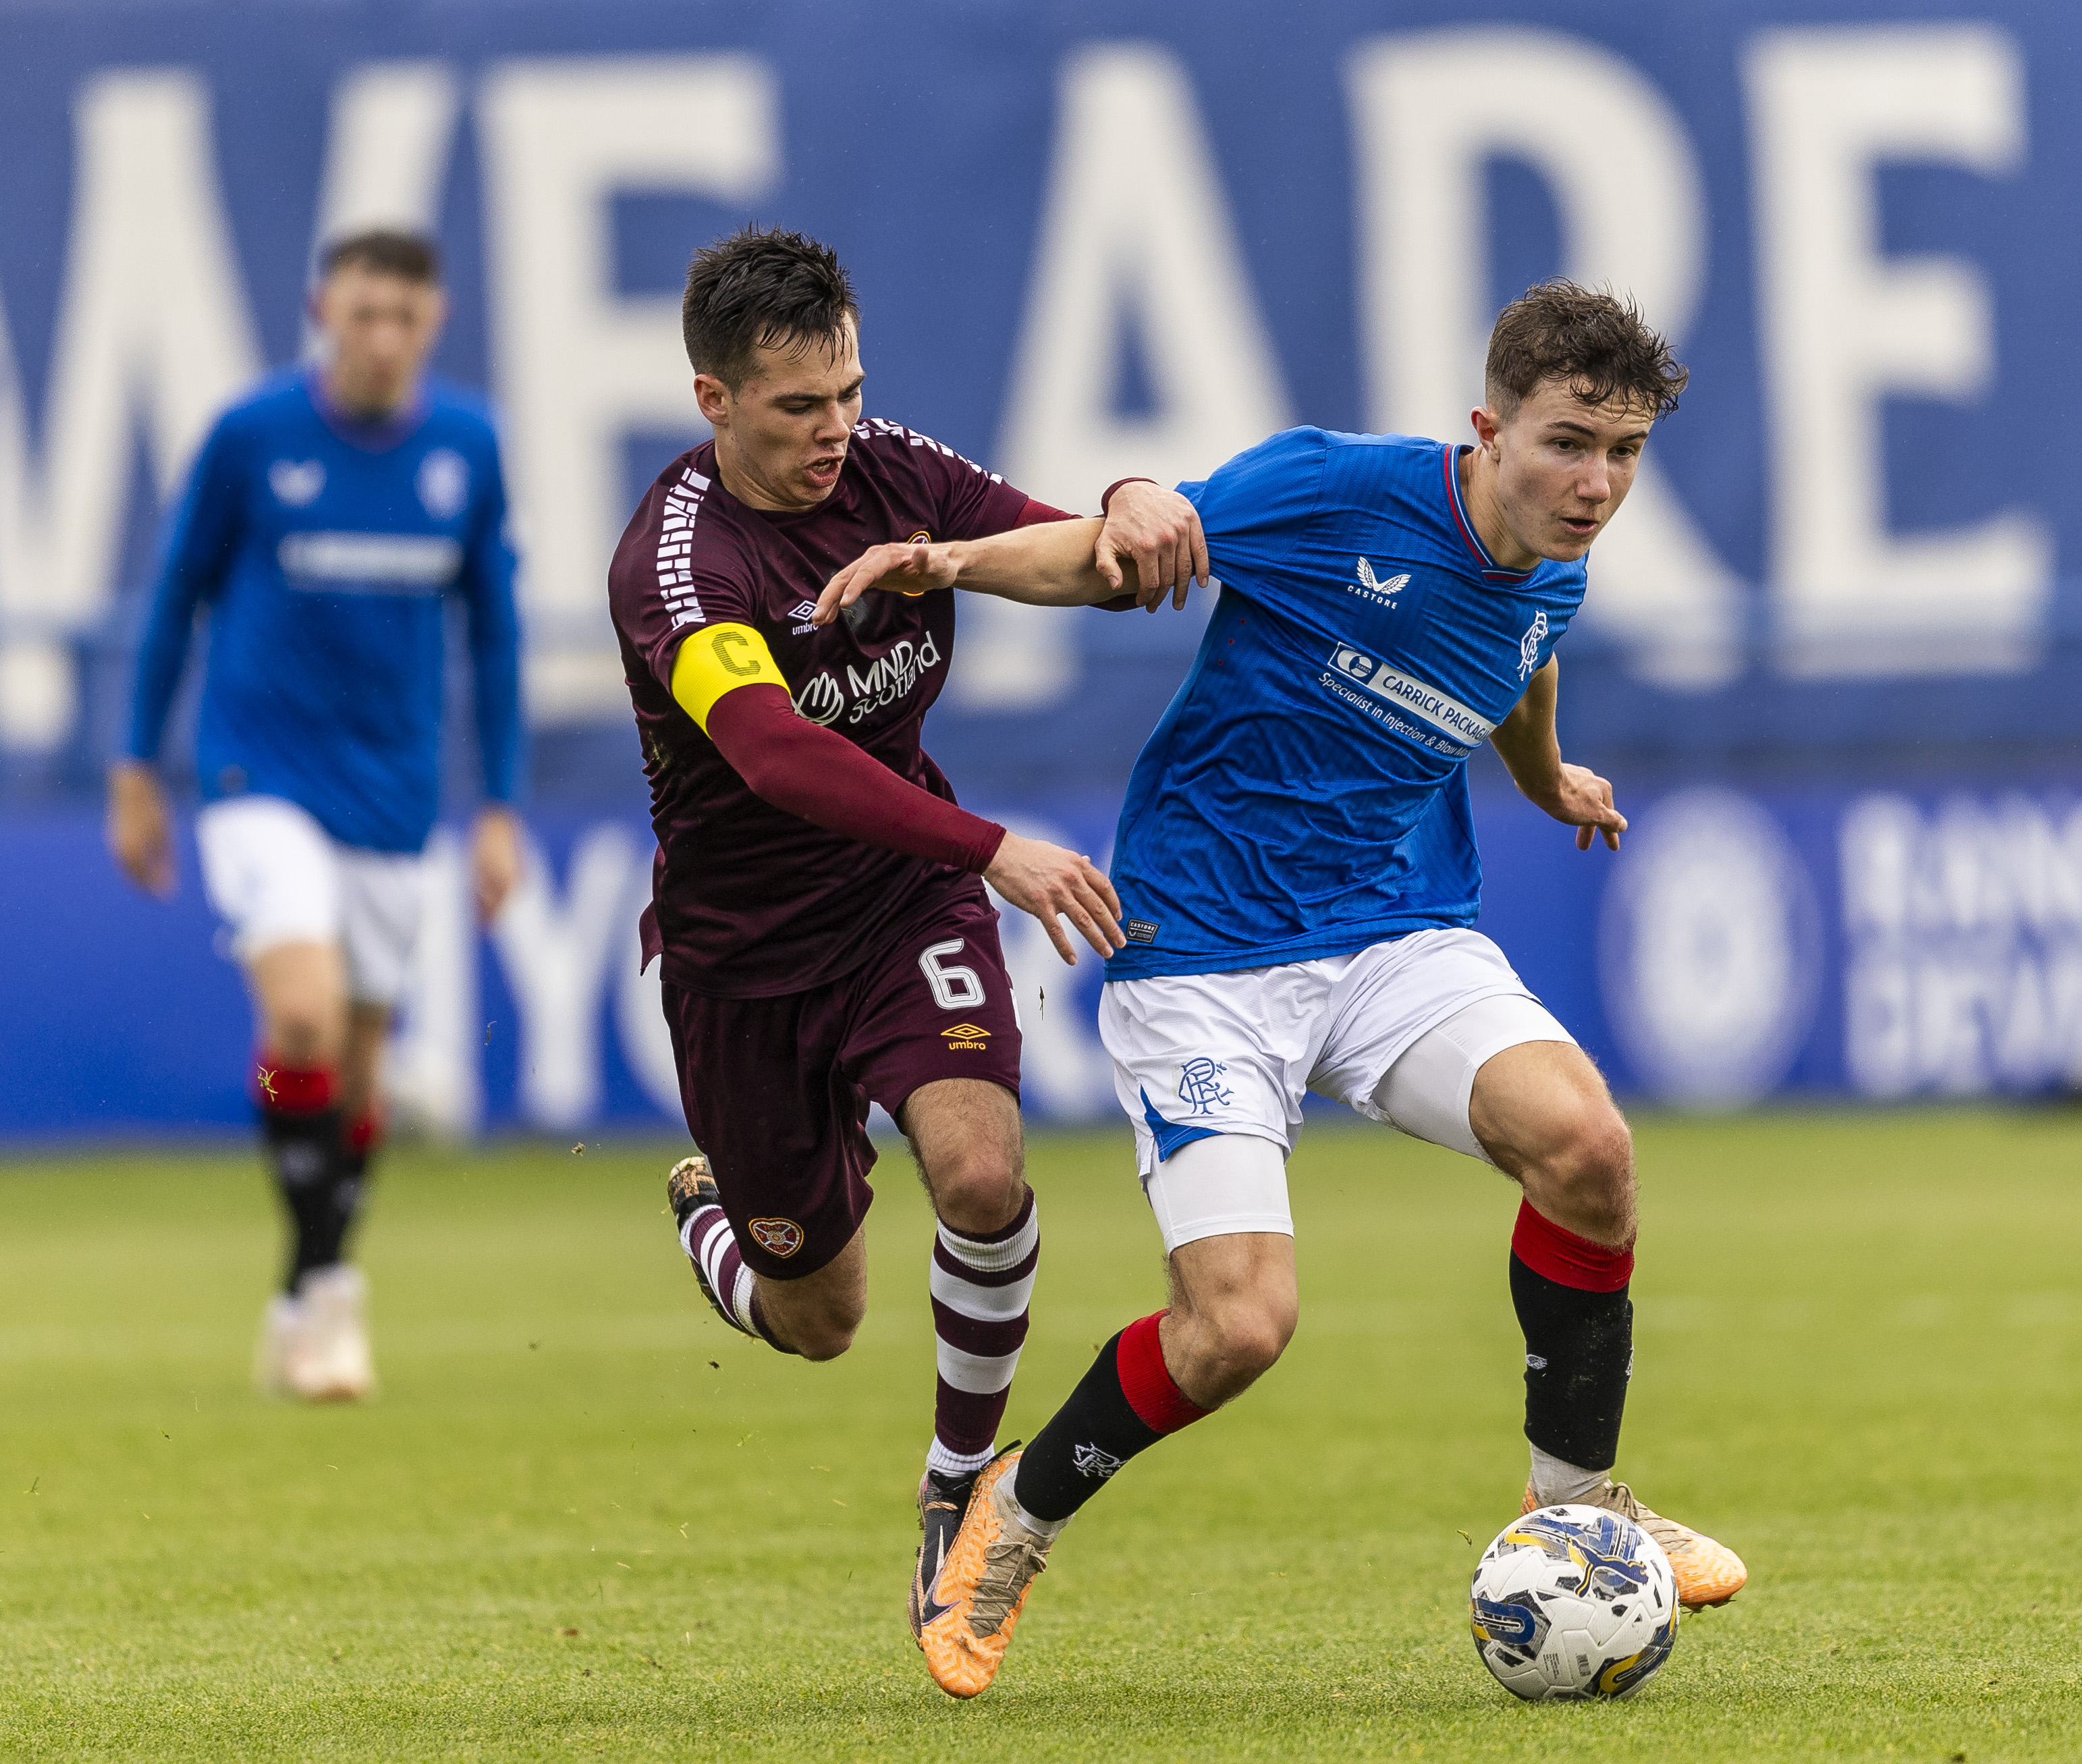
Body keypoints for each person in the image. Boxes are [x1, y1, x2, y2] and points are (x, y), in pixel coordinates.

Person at [817, 280, 1749, 1698]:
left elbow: (1521, 658)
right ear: (1489, 429)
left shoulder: (1558, 559)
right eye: (1568, 444)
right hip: (1203, 948)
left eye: (1622, 453)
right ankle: (1015, 1508)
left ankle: (1573, 1504)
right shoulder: (1334, 491)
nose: (1596, 484)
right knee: (1238, 1324)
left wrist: (1546, 776)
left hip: (1389, 931)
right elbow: (1117, 556)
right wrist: (948, 562)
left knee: (1586, 1149)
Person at [604, 225, 1204, 1647]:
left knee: (980, 1172)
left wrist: (1127, 500)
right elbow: (771, 754)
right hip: (743, 963)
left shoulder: (889, 469)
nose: (835, 431)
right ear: (713, 400)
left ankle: (957, 1489)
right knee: (818, 1321)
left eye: (850, 393)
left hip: (898, 900)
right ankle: (713, 1215)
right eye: (797, 407)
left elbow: (1080, 556)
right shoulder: (676, 561)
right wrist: (993, 845)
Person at [109, 228, 523, 1402]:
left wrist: (498, 806)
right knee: (302, 1016)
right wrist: (135, 765)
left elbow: (493, 633)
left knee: (356, 1067)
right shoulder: (253, 435)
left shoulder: (467, 447)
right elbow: (176, 597)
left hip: (393, 792)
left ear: (434, 322)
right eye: (362, 313)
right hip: (258, 772)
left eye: (404, 316)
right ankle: (327, 1289)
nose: (381, 337)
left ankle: (310, 1288)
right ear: (321, 312)